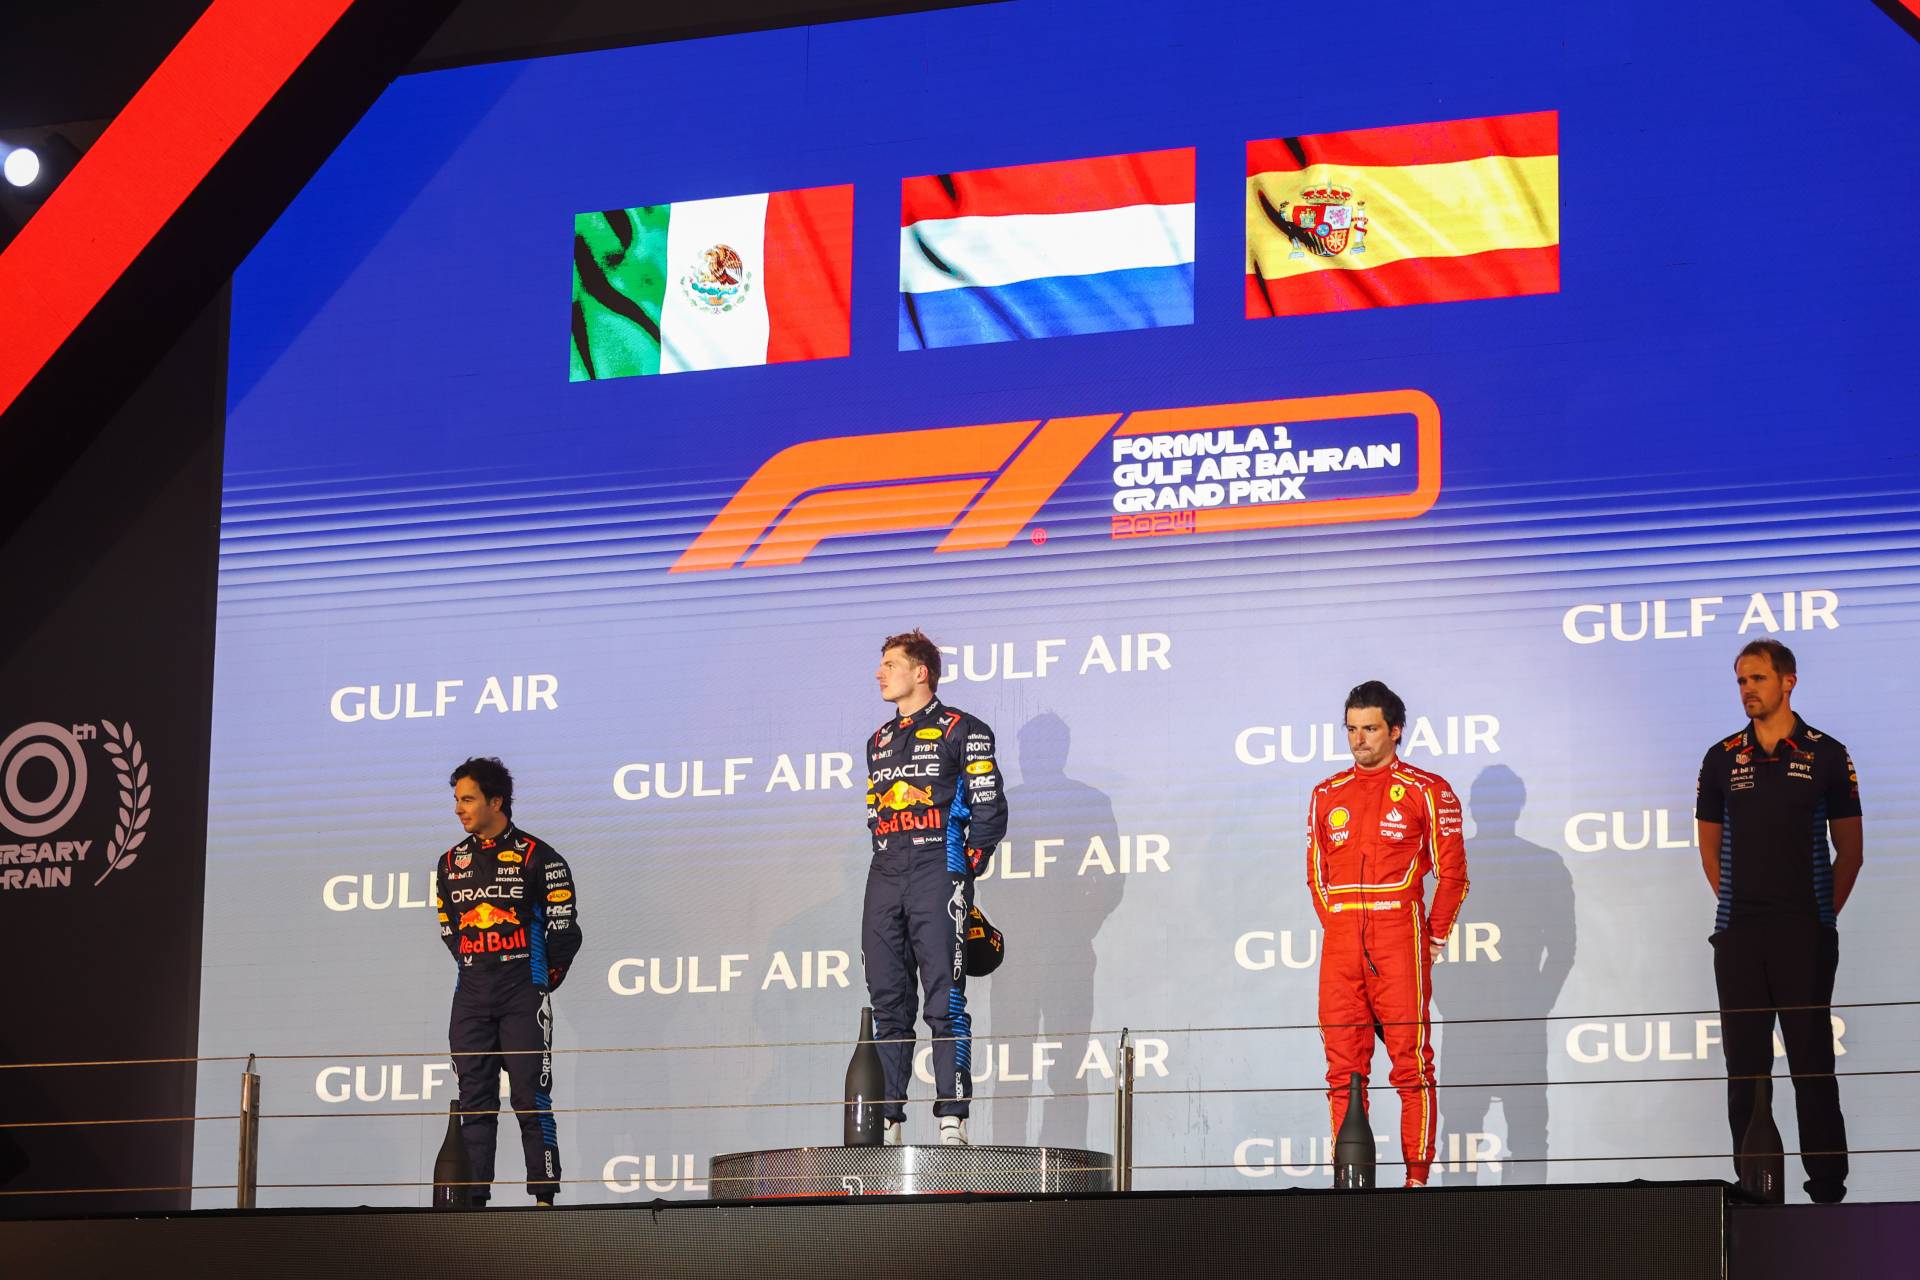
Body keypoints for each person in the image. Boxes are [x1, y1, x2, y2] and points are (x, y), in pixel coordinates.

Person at [1695, 639, 1860, 1203]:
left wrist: (1814, 919)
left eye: (1758, 679)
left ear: (1788, 681)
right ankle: (1755, 1186)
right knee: (1744, 1068)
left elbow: (1851, 851)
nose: (1748, 690)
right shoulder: (1721, 758)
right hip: (1739, 935)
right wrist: (1744, 913)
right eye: (1741, 680)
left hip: (1805, 933)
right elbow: (1710, 850)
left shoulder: (1827, 754)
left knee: (1811, 1064)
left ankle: (1828, 1188)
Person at [1307, 681, 1467, 1187]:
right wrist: (1340, 926)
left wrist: (1432, 937)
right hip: (1342, 945)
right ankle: (1348, 1180)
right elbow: (1317, 877)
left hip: (1399, 936)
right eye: (1352, 729)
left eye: (1370, 729)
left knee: (1411, 1066)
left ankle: (1415, 1181)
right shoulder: (1326, 794)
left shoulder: (1427, 788)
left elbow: (1454, 875)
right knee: (1342, 1071)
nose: (1359, 740)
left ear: (1395, 731)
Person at [862, 629, 1006, 1146]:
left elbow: (989, 811)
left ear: (919, 672)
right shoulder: (877, 741)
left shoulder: (963, 730)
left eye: (890, 664)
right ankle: (890, 1121)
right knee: (887, 999)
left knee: (944, 999)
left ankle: (952, 1121)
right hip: (884, 874)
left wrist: (962, 869)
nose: (880, 673)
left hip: (935, 870)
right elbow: (876, 815)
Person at [433, 757, 582, 1205]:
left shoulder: (540, 857)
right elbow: (450, 930)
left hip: (522, 995)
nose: (459, 809)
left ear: (496, 800)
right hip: (471, 997)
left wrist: (537, 980)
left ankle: (542, 1199)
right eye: (456, 800)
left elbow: (566, 931)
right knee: (474, 1102)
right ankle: (474, 1204)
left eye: (468, 799)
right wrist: (478, 966)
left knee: (530, 1098)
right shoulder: (449, 862)